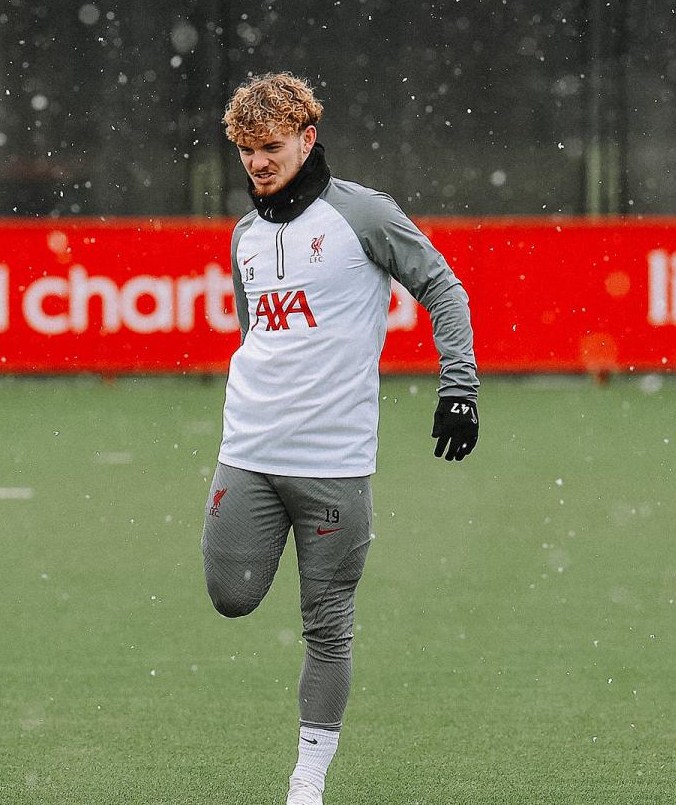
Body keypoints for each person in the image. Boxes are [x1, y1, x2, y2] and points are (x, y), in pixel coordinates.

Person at [202, 72, 479, 805]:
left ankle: (308, 781)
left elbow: (443, 287)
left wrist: (459, 386)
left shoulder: (362, 214)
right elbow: (254, 336)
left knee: (326, 627)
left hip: (334, 464)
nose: (258, 163)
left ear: (308, 138)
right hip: (248, 452)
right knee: (230, 595)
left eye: (271, 147)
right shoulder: (244, 236)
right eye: (247, 150)